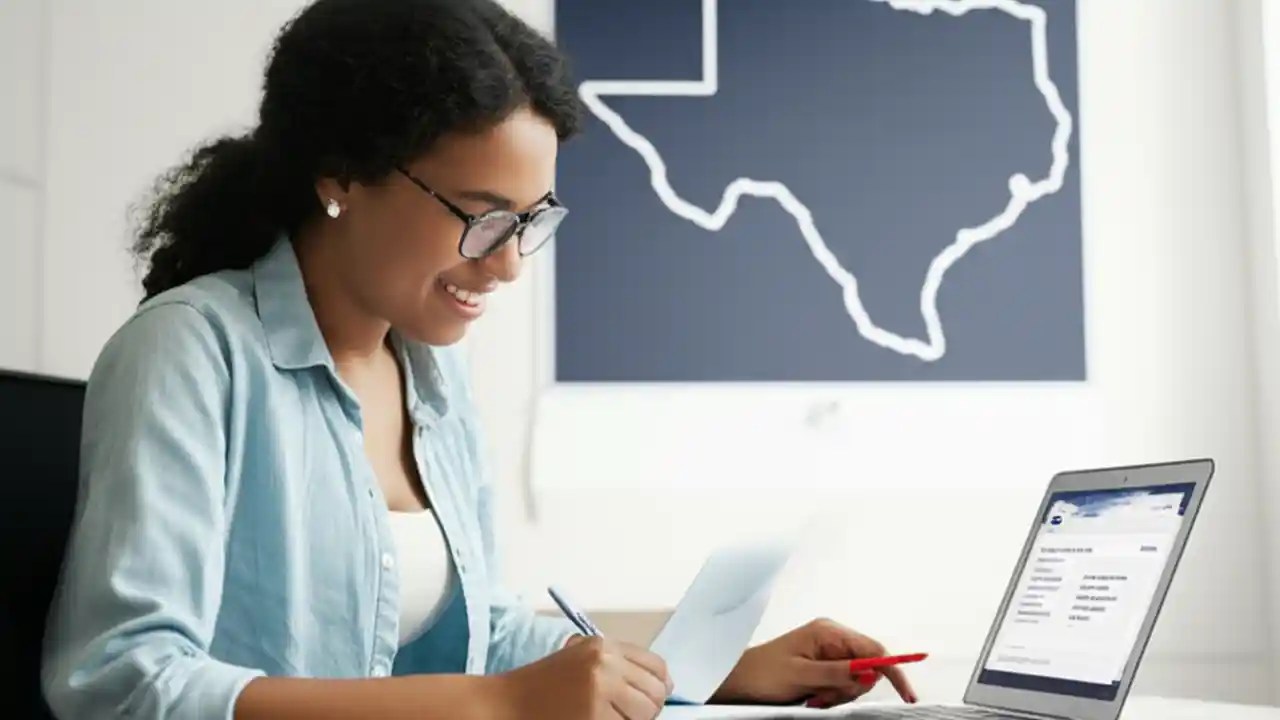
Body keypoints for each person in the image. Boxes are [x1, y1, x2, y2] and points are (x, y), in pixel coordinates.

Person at [40, 1, 917, 718]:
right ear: (341, 175)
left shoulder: (428, 373)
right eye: (483, 215)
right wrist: (496, 705)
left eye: (531, 220)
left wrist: (721, 668)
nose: (507, 265)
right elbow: (123, 682)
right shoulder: (192, 353)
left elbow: (487, 638)